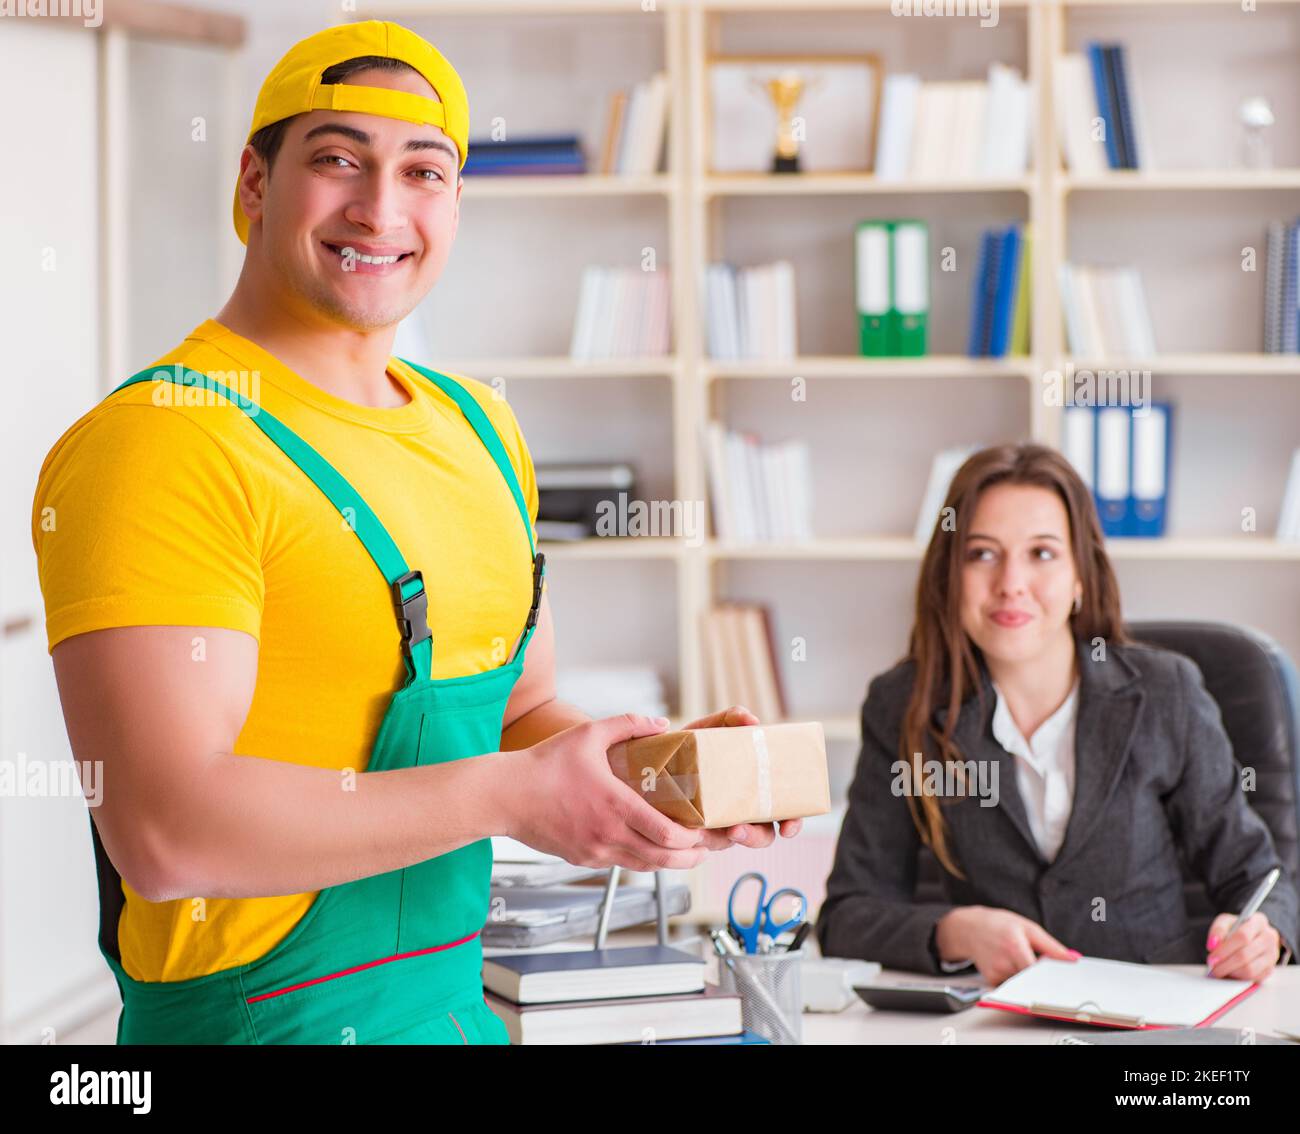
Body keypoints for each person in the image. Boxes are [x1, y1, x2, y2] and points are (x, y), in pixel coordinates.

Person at [31, 20, 800, 1046]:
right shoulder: (165, 444)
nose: (379, 207)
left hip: (455, 1017)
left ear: (454, 204)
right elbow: (168, 832)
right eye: (337, 159)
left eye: (422, 171)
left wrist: (651, 776)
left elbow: (518, 714)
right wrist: (515, 797)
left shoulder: (479, 430)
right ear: (254, 184)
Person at [816, 443, 1297, 987]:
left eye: (1041, 553)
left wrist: (1265, 933)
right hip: (997, 1019)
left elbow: (1261, 879)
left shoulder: (1168, 693)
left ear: (1079, 577)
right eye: (982, 553)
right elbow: (847, 916)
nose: (1011, 583)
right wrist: (956, 929)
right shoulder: (905, 704)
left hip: (1155, 1014)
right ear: (949, 574)